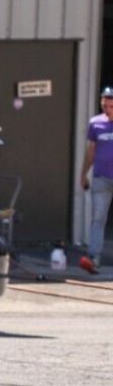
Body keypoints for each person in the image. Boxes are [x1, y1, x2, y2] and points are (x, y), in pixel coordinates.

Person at [79, 87, 113, 273]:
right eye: (104, 106)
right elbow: (91, 151)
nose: (107, 110)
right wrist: (84, 174)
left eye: (111, 106)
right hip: (101, 177)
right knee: (98, 218)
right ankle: (93, 257)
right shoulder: (96, 123)